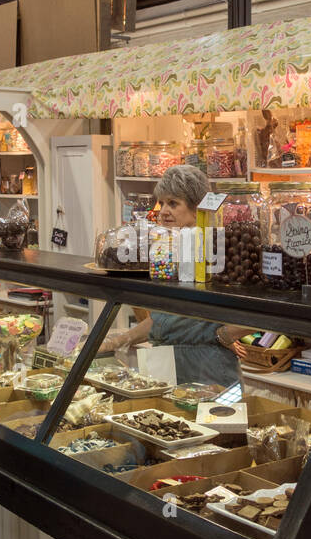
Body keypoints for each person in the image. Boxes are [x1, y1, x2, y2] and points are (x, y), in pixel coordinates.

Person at [100, 164, 249, 386]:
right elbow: (163, 322)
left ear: (196, 206)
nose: (163, 211)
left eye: (173, 203)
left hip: (209, 367)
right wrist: (118, 341)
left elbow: (267, 307)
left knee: (214, 420)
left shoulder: (217, 247)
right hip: (165, 363)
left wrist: (225, 335)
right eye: (162, 203)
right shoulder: (168, 249)